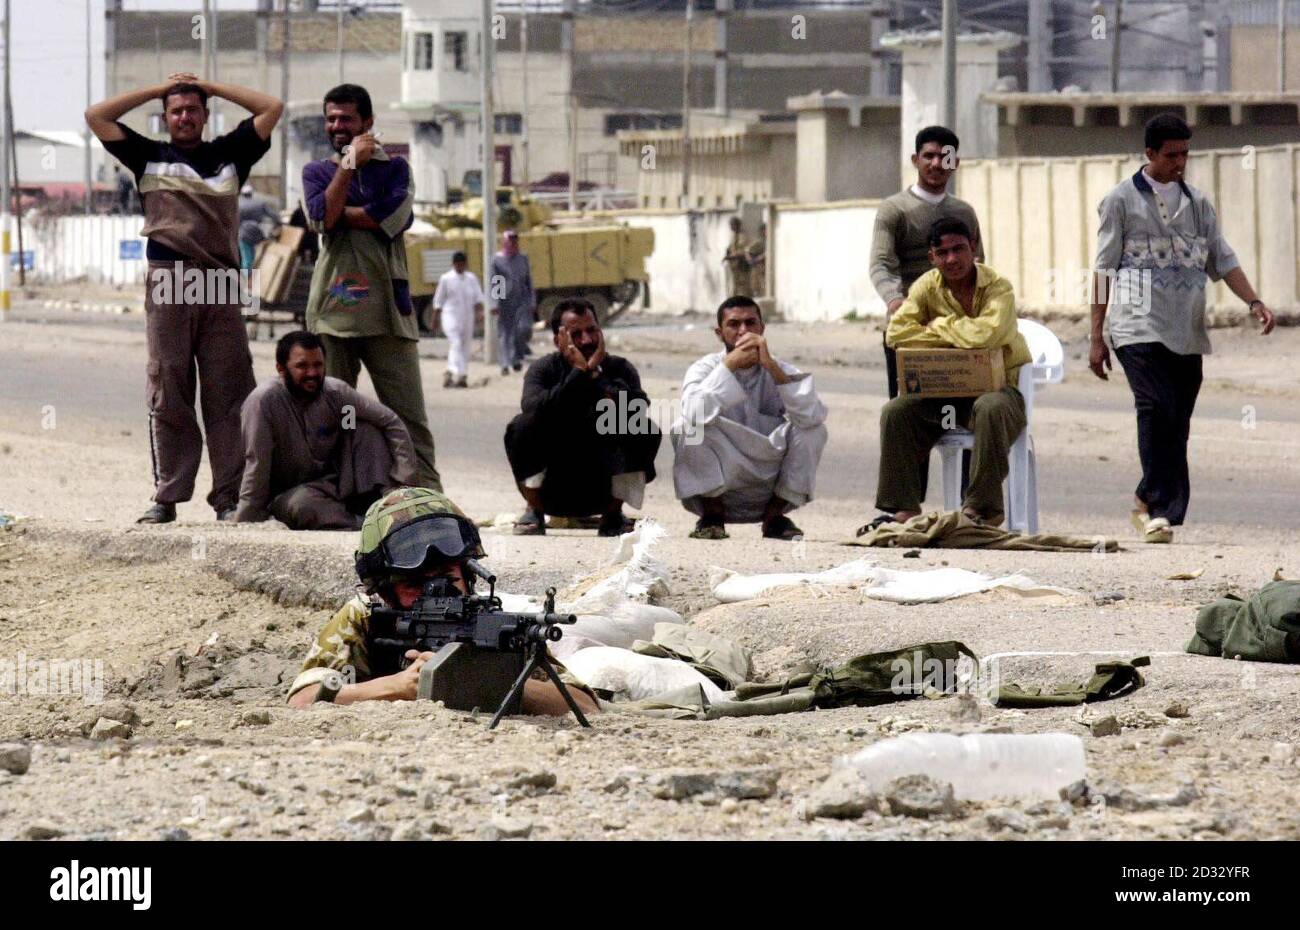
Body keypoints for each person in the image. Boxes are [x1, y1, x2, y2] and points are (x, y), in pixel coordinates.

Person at [85, 72, 282, 524]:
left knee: (230, 391)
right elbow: (96, 115)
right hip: (168, 279)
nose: (184, 117)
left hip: (220, 282)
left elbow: (271, 108)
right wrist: (156, 89)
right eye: (175, 111)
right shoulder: (148, 156)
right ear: (166, 117)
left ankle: (230, 498)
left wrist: (211, 85)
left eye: (193, 109)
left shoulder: (230, 155)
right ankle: (167, 496)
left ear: (205, 115)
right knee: (169, 385)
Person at [1090, 113, 1275, 544]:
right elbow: (1102, 270)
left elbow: (1223, 259)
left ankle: (1146, 499)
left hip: (1186, 327)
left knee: (1178, 419)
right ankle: (1160, 511)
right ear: (1149, 154)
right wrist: (1096, 336)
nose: (1180, 162)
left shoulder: (1198, 204)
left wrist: (1254, 301)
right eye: (1171, 154)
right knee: (1154, 408)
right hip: (1135, 326)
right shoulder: (1119, 201)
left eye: (1185, 154)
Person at [286, 487, 599, 717]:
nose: (438, 593)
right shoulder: (366, 616)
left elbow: (584, 705)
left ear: (468, 574)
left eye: (448, 577)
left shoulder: (492, 625)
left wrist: (489, 681)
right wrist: (399, 686)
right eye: (414, 584)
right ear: (384, 592)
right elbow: (302, 699)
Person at [301, 83, 442, 492]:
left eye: (346, 118)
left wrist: (339, 212)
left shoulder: (396, 169)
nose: (337, 126)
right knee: (329, 418)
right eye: (331, 118)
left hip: (388, 314)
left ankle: (429, 498)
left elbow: (389, 217)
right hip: (332, 313)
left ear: (368, 122)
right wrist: (347, 167)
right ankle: (330, 497)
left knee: (407, 417)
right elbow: (321, 219)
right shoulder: (317, 171)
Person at [859, 218, 1030, 535]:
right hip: (946, 395)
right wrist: (959, 336)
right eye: (943, 252)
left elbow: (988, 334)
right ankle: (903, 508)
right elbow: (897, 332)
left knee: (990, 408)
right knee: (895, 412)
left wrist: (937, 326)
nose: (952, 259)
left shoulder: (998, 286)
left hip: (999, 392)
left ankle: (981, 510)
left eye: (959, 249)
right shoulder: (927, 285)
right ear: (932, 258)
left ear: (974, 249)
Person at [672, 296, 827, 541]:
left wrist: (773, 370)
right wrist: (728, 367)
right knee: (686, 428)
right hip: (721, 482)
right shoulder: (703, 369)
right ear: (719, 333)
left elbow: (812, 417)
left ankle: (774, 519)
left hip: (770, 483)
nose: (743, 331)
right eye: (734, 324)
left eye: (750, 323)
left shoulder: (781, 368)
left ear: (762, 328)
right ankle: (713, 517)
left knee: (813, 430)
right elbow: (692, 412)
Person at [504, 298, 661, 537]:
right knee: (522, 425)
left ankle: (613, 515)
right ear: (559, 340)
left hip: (602, 486)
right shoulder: (543, 370)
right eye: (576, 334)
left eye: (591, 331)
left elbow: (636, 408)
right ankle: (533, 512)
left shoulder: (619, 368)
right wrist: (578, 373)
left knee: (640, 427)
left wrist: (596, 376)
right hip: (553, 487)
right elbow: (533, 408)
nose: (587, 340)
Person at [234, 331, 416, 530]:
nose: (312, 373)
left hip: (337, 484)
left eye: (318, 365)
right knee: (302, 506)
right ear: (281, 369)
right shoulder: (263, 402)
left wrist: (401, 482)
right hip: (293, 493)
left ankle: (382, 505)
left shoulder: (335, 393)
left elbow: (390, 421)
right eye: (302, 366)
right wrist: (246, 520)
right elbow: (257, 463)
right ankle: (365, 525)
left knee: (365, 427)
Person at [870, 125, 984, 399]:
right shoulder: (894, 209)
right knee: (908, 415)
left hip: (959, 330)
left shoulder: (964, 213)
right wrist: (896, 301)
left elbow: (978, 265)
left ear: (954, 163)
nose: (936, 164)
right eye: (929, 156)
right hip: (911, 328)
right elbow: (880, 264)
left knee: (965, 417)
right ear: (915, 160)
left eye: (944, 157)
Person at [433, 251, 484, 389]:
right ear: (453, 264)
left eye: (462, 264)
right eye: (457, 264)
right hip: (450, 316)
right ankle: (462, 374)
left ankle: (450, 373)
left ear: (466, 264)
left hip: (467, 317)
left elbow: (478, 298)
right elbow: (438, 300)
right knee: (455, 343)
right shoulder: (446, 278)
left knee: (465, 346)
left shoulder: (471, 278)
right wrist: (435, 318)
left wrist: (480, 313)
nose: (460, 266)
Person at [490, 230, 537, 375]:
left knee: (523, 330)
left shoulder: (523, 258)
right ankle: (505, 363)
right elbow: (495, 281)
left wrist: (532, 300)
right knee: (505, 333)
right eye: (510, 240)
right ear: (504, 242)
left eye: (515, 240)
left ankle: (516, 357)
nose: (513, 243)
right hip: (504, 301)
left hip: (522, 300)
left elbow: (528, 280)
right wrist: (495, 303)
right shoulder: (497, 260)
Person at [237, 183, 279, 270]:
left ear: (242, 194)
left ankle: (244, 280)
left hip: (243, 233)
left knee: (246, 258)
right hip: (256, 232)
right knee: (254, 256)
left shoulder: (238, 204)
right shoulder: (260, 203)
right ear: (251, 193)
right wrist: (277, 225)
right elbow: (274, 216)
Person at [722, 217, 753, 298]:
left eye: (732, 225)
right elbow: (731, 248)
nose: (731, 227)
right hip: (734, 265)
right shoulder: (733, 236)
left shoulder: (743, 236)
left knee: (744, 286)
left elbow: (743, 250)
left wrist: (731, 256)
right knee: (734, 286)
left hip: (742, 264)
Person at [748, 222, 767, 298]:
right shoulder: (759, 242)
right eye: (765, 230)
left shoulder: (768, 241)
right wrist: (753, 260)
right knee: (757, 287)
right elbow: (747, 250)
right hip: (759, 268)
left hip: (764, 268)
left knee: (763, 287)